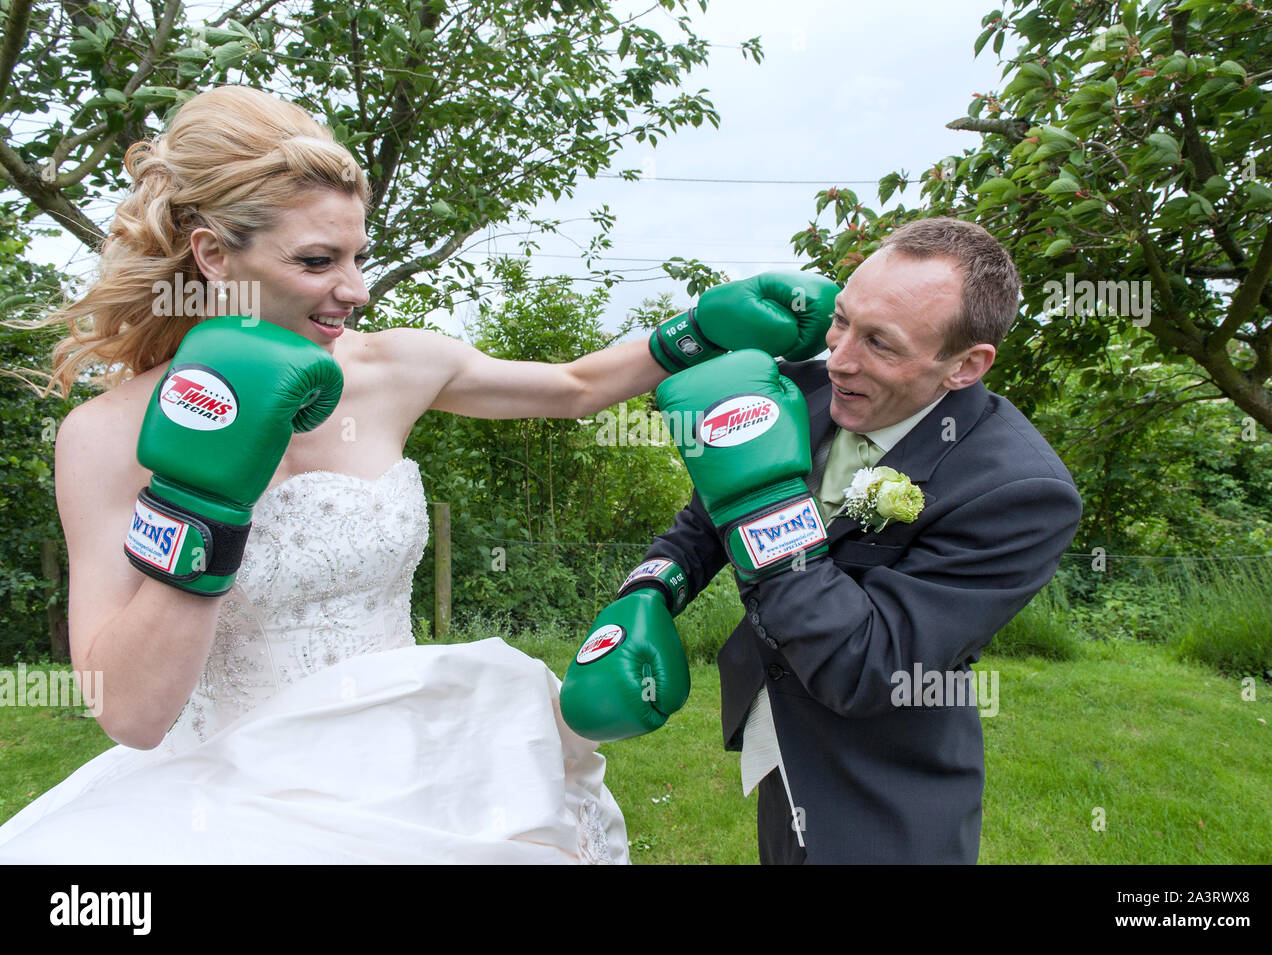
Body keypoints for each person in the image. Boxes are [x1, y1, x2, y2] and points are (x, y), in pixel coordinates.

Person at [0, 85, 831, 864]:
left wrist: (693, 332)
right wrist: (205, 503)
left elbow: (577, 389)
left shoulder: (393, 367)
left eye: (359, 256)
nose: (354, 290)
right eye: (319, 261)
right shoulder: (107, 437)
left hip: (425, 767)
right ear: (214, 254)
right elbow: (133, 713)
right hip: (232, 803)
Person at [561, 217, 1083, 863]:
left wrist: (766, 509)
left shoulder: (1019, 490)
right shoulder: (802, 388)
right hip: (780, 749)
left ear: (965, 365)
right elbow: (705, 521)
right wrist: (647, 591)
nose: (839, 358)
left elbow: (866, 665)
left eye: (880, 344)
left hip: (885, 795)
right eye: (840, 321)